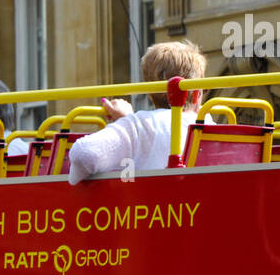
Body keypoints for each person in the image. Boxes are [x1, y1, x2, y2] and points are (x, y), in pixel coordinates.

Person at [67, 40, 207, 185]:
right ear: (197, 94)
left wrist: (73, 183)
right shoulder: (211, 126)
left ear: (149, 93)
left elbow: (84, 155)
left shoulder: (140, 125)